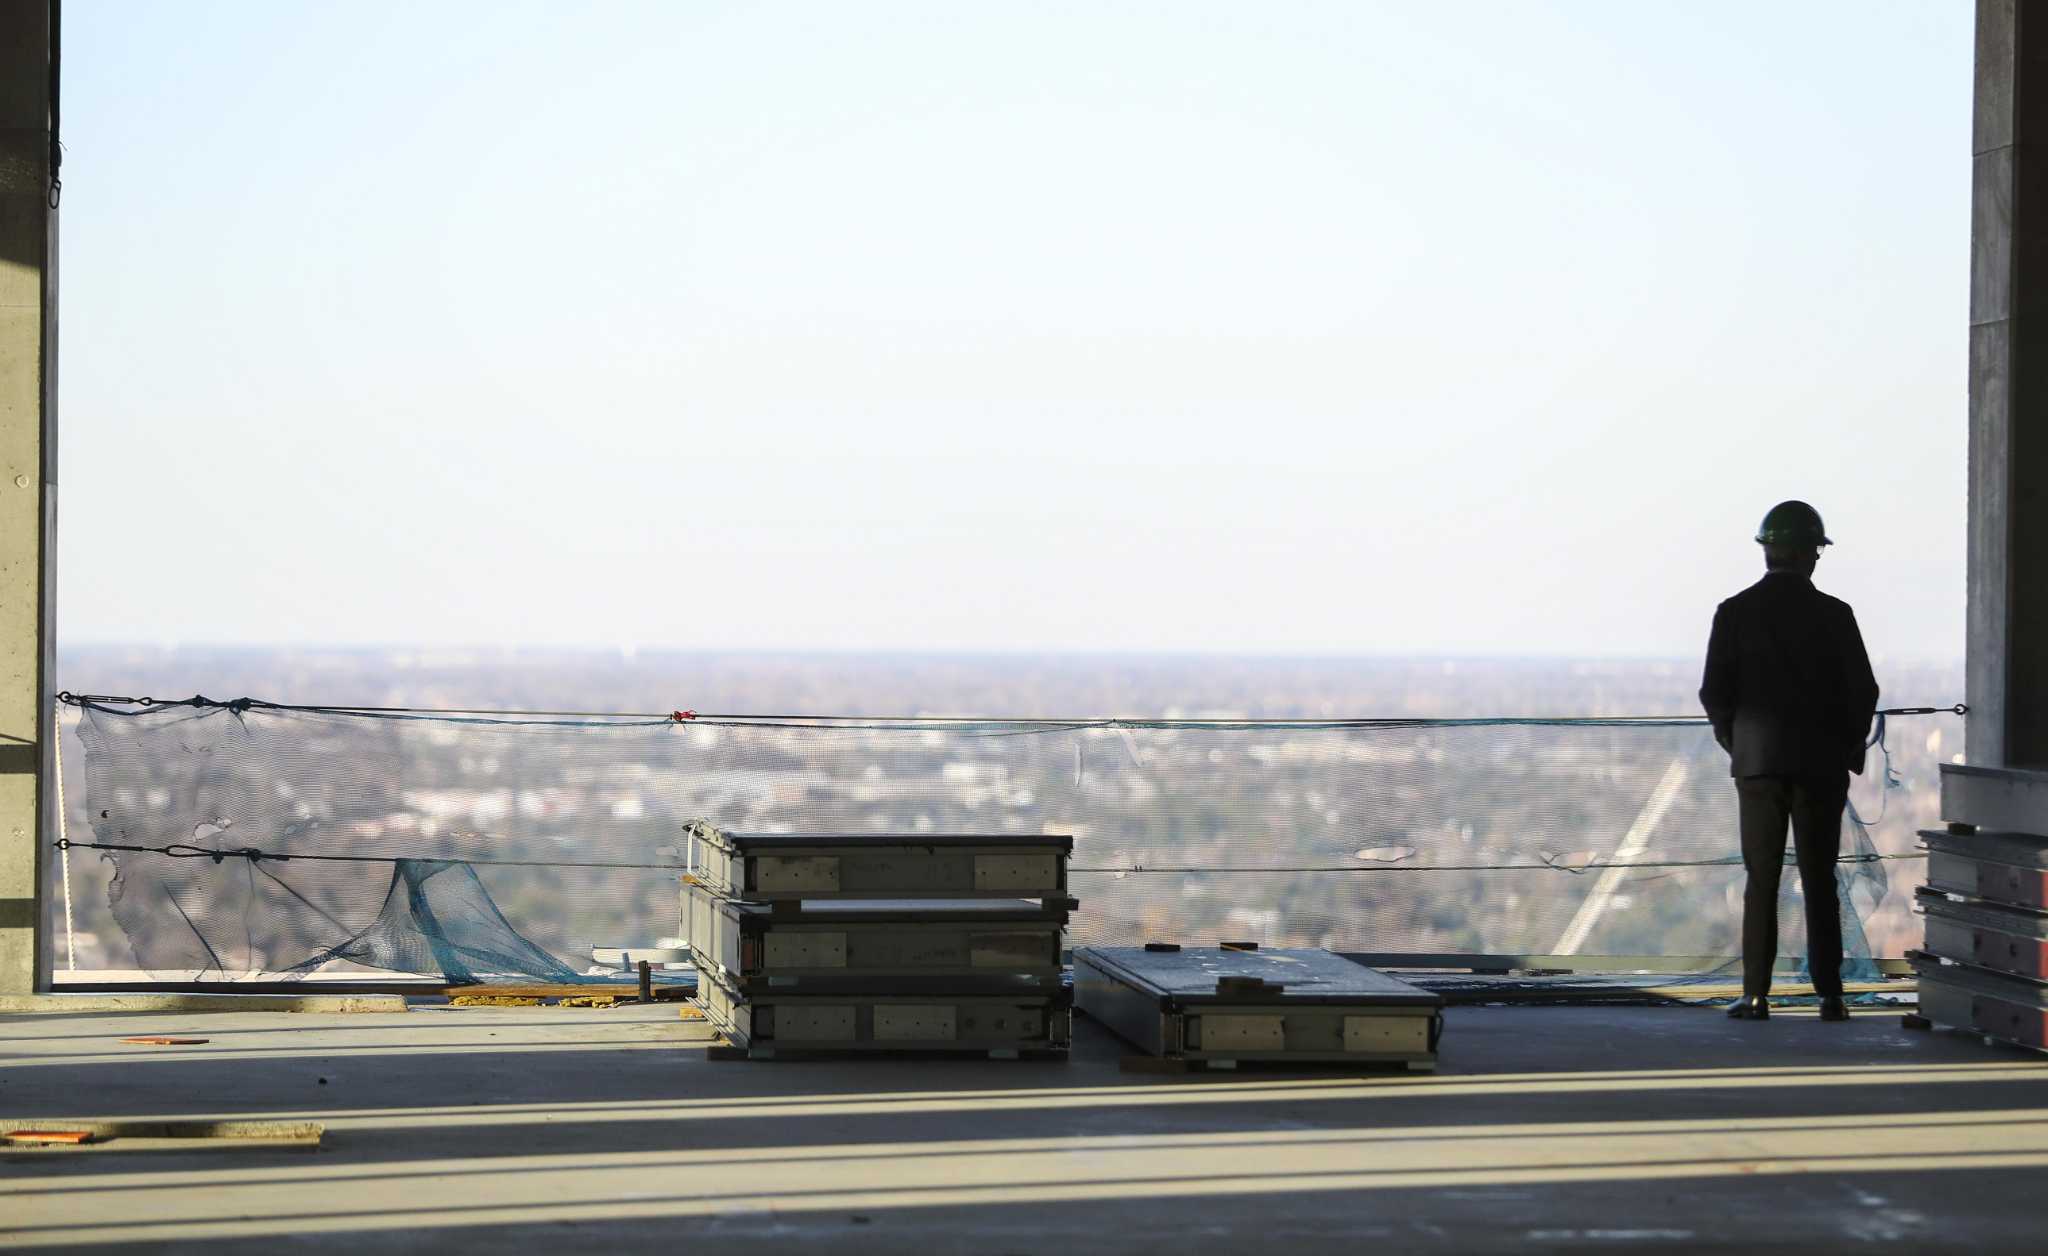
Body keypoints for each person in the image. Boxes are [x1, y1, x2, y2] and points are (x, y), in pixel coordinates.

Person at [1699, 500, 1878, 1022]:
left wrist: (1740, 746)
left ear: (1768, 552)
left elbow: (1715, 692)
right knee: (1821, 877)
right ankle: (1831, 994)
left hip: (1757, 766)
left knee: (1763, 879)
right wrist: (1845, 747)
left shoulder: (1733, 612)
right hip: (1821, 766)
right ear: (1810, 556)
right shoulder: (1836, 615)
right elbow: (1863, 690)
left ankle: (1756, 994)